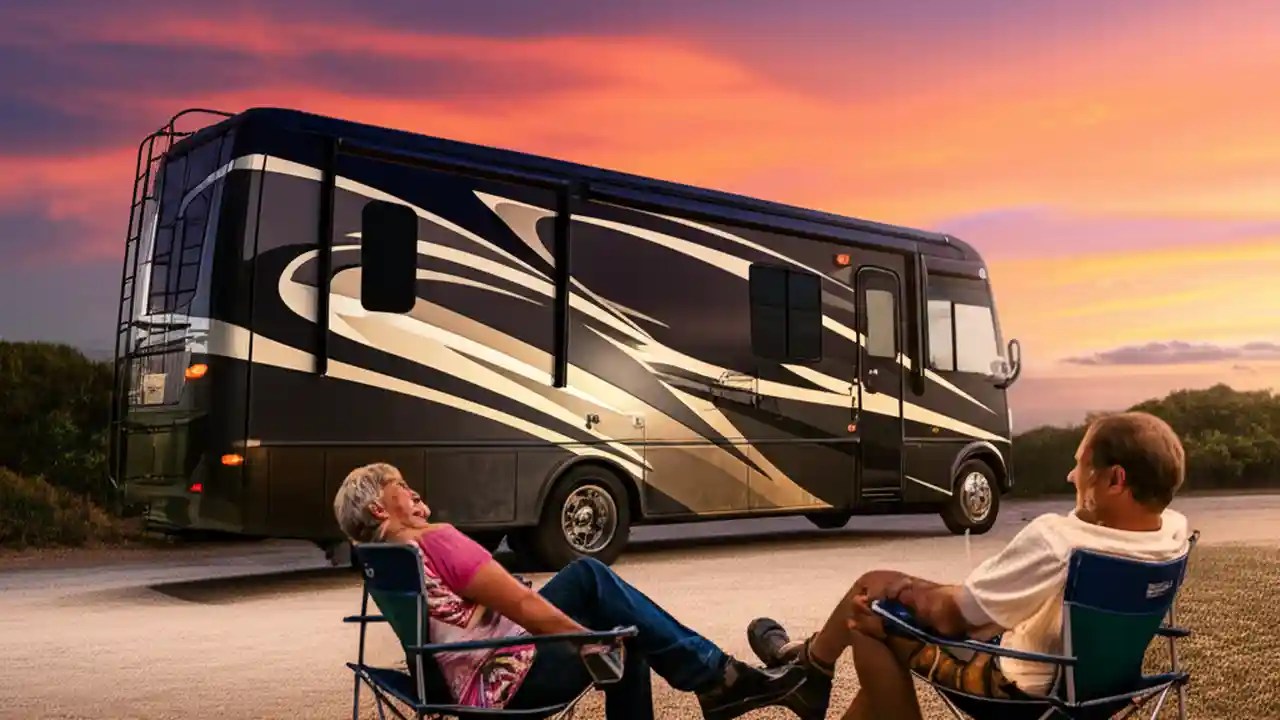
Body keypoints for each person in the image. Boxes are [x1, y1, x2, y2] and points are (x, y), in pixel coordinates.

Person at [743, 411, 1194, 720]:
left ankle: (806, 670)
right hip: (1100, 690)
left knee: (867, 614)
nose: (1071, 477)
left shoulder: (1061, 541)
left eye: (1080, 466)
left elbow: (951, 617)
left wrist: (909, 593)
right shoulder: (1172, 535)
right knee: (878, 584)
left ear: (1115, 479)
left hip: (1019, 691)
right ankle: (808, 669)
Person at [333, 462, 806, 720]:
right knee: (597, 590)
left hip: (442, 682)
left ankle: (716, 676)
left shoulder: (384, 558)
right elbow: (522, 605)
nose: (415, 493)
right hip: (503, 684)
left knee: (619, 622)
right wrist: (588, 640)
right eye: (402, 487)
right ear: (378, 507)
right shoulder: (434, 540)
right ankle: (718, 677)